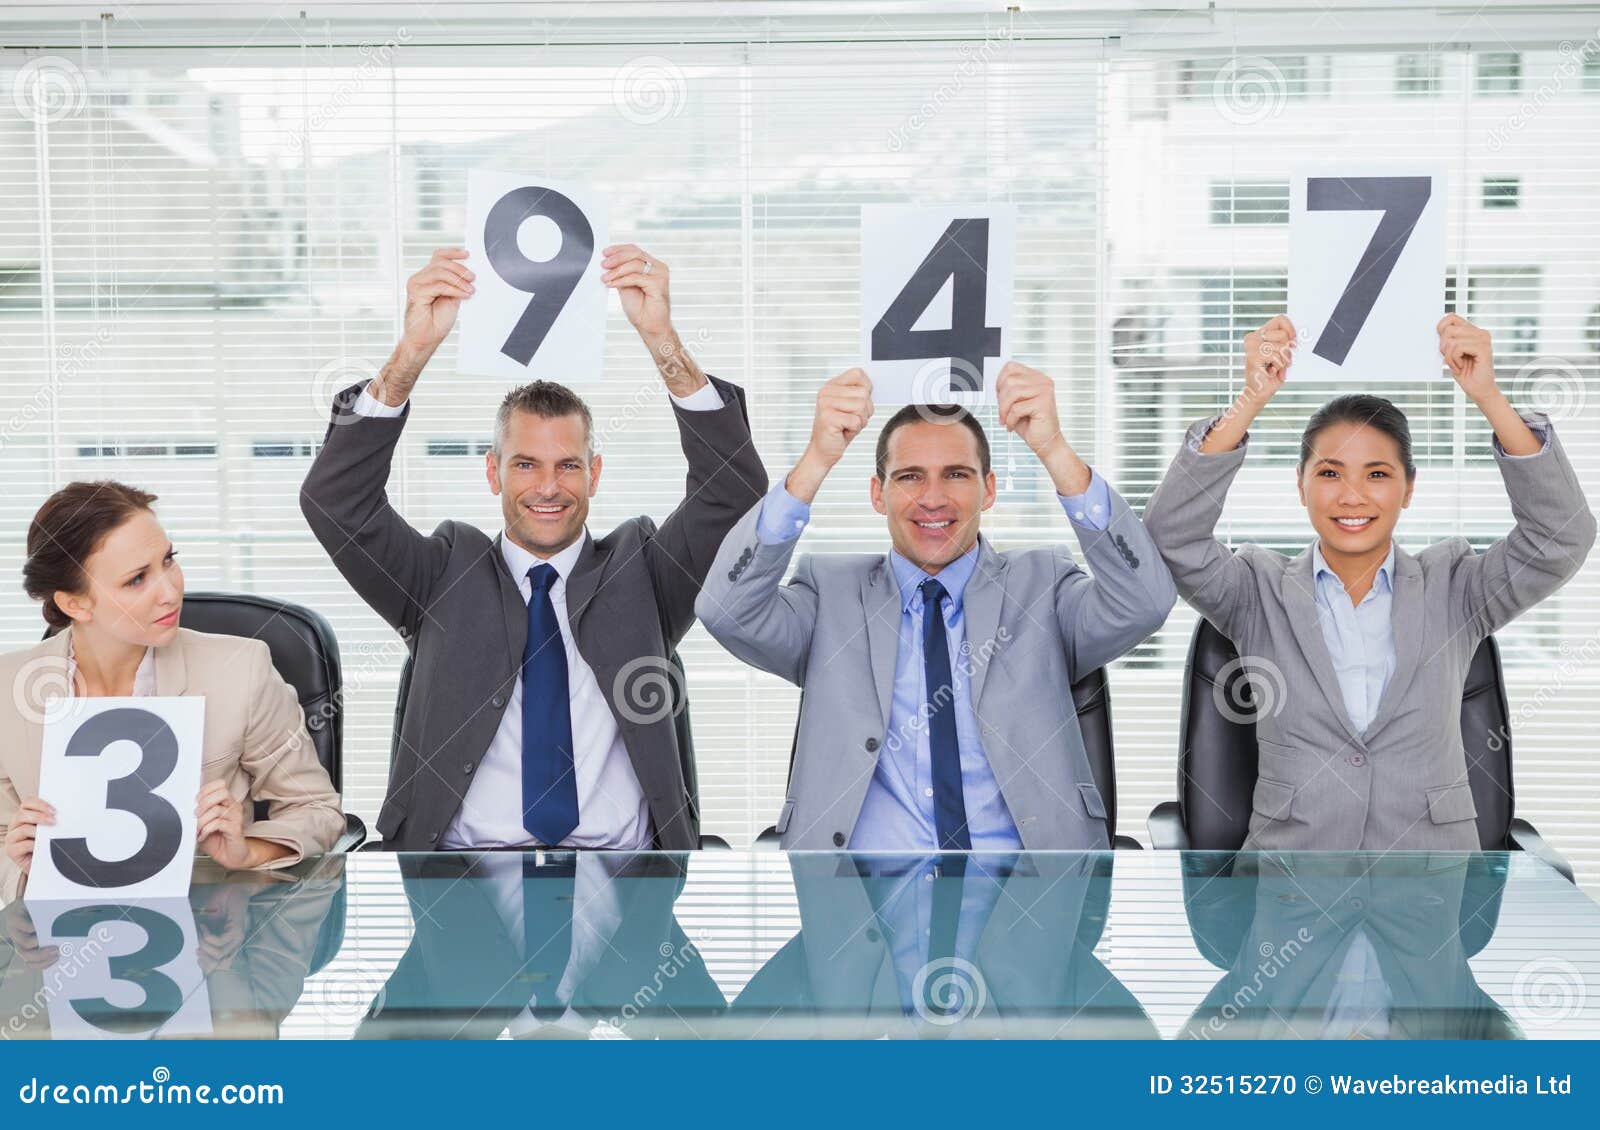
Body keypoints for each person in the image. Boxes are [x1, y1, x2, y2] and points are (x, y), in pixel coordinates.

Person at [300, 246, 767, 851]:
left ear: (594, 474)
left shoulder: (643, 572)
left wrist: (663, 341)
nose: (548, 487)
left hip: (625, 884)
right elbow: (336, 501)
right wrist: (410, 355)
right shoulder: (441, 574)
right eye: (526, 464)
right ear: (493, 472)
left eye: (567, 465)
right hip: (462, 887)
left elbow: (732, 491)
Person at [1143, 313, 1595, 851]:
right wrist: (1250, 400)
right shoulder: (1255, 592)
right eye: (1330, 474)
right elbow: (1171, 539)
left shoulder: (1456, 588)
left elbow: (1561, 537)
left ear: (1408, 488)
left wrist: (1489, 397)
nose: (1352, 496)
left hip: (1426, 897)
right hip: (1291, 897)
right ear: (1301, 485)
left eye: (1377, 474)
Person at [696, 361, 1175, 850]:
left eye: (956, 474)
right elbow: (724, 609)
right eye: (909, 477)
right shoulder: (829, 595)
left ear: (988, 490)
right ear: (877, 494)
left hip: (1029, 893)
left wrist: (1053, 450)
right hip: (859, 897)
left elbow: (1145, 601)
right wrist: (815, 462)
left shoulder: (1042, 585)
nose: (932, 499)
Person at [1, 481, 344, 903]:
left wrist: (247, 852)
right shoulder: (9, 691)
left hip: (208, 932)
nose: (170, 590)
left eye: (168, 561)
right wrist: (22, 865)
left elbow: (317, 810)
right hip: (64, 942)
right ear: (75, 604)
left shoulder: (241, 670)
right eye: (137, 579)